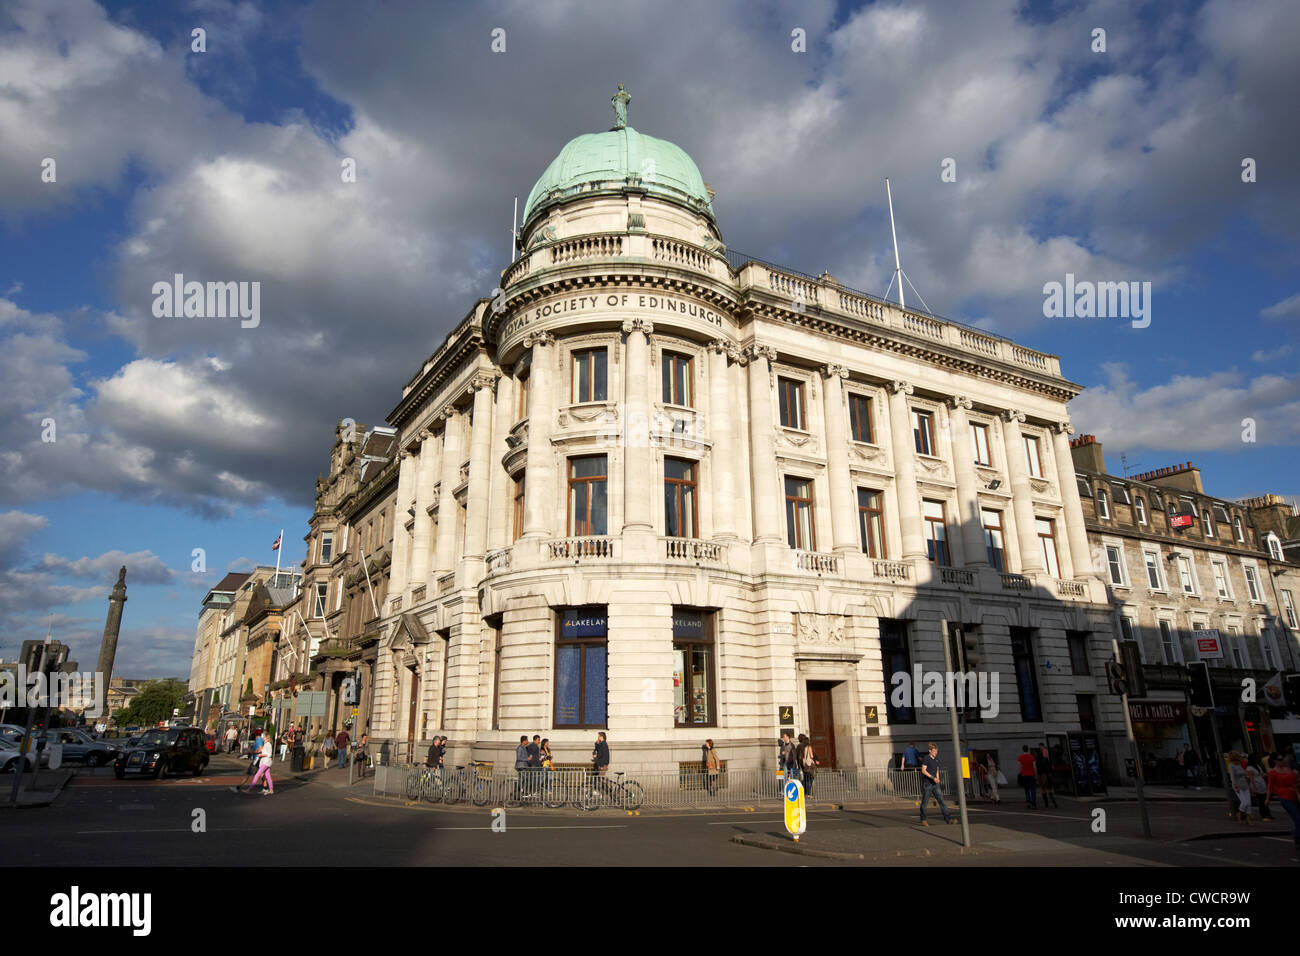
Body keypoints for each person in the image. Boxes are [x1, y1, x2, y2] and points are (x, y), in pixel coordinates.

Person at [1266, 754, 1300, 848]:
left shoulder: (1290, 769)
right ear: (1274, 761)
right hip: (1285, 796)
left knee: (1297, 818)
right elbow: (1270, 786)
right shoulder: (1273, 772)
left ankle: (1297, 834)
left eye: (1282, 759)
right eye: (1279, 759)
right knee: (1297, 817)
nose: (1282, 761)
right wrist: (1267, 798)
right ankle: (1297, 837)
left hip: (1296, 795)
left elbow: (1296, 781)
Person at [918, 742, 954, 825]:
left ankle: (948, 819)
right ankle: (923, 819)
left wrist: (937, 778)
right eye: (934, 751)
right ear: (930, 751)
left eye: (936, 751)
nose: (936, 753)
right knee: (925, 802)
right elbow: (923, 770)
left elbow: (937, 769)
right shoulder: (926, 758)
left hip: (935, 784)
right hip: (928, 783)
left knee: (942, 801)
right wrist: (932, 778)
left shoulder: (936, 759)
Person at [1227, 751, 1253, 824]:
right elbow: (1232, 777)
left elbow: (1244, 774)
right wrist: (1235, 786)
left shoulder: (1239, 765)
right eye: (1236, 759)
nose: (1237, 761)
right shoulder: (1231, 765)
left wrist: (1247, 775)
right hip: (1238, 786)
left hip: (1245, 785)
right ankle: (1240, 815)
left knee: (1248, 803)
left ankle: (1248, 819)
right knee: (1244, 803)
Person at [1247, 754, 1271, 821]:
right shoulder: (1250, 768)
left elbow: (1261, 774)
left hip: (1262, 784)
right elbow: (1251, 779)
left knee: (1265, 799)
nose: (1257, 760)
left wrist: (1265, 775)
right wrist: (1253, 788)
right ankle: (1263, 814)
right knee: (1261, 801)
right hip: (1257, 785)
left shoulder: (1257, 766)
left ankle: (1268, 813)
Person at [1036, 743, 1059, 809]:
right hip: (1048, 775)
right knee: (1050, 789)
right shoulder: (1046, 760)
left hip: (1042, 776)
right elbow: (1050, 767)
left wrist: (1038, 778)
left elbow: (1038, 770)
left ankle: (1046, 804)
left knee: (1043, 790)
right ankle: (1054, 803)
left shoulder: (1038, 761)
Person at [592, 731, 611, 798]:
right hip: (601, 764)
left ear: (602, 737)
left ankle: (606, 791)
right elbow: (598, 750)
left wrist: (602, 765)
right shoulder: (601, 744)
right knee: (600, 779)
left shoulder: (604, 745)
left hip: (603, 764)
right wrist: (596, 744)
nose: (598, 737)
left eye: (599, 736)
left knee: (600, 779)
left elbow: (605, 756)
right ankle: (607, 791)